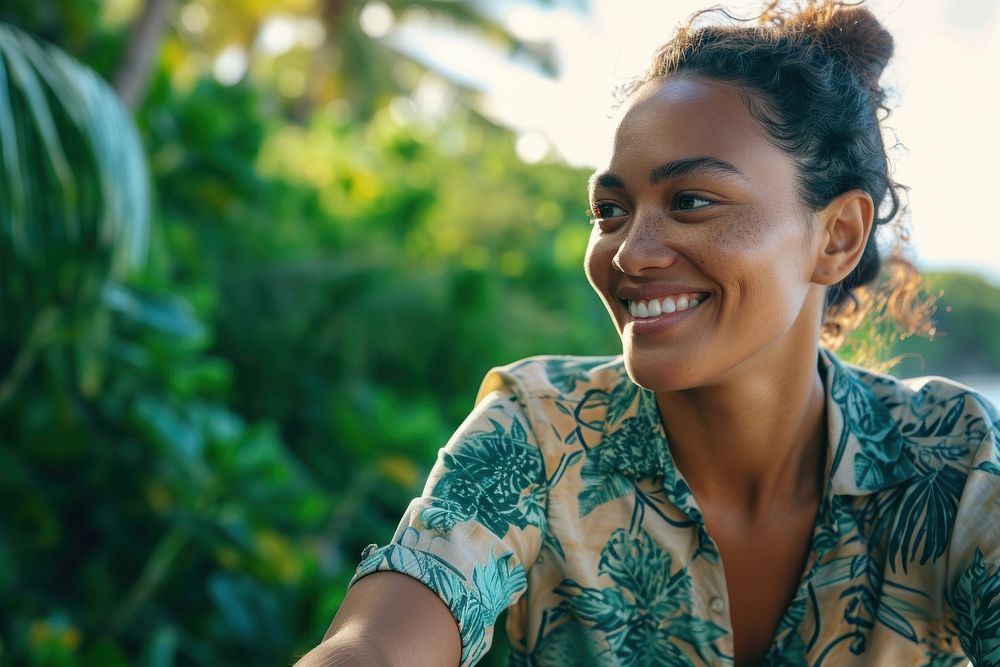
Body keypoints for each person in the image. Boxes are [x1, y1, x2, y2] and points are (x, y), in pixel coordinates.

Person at [296, 1, 1000, 665]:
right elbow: (379, 642)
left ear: (838, 236)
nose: (630, 253)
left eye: (691, 201)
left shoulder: (951, 458)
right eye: (610, 210)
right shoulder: (540, 431)